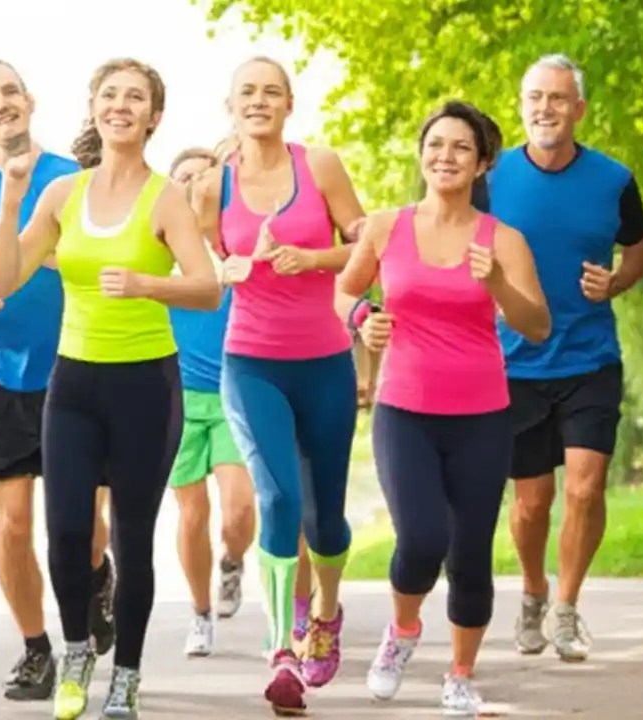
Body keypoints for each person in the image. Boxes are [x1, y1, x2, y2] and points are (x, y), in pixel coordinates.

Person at [0, 57, 220, 720]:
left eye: (135, 97)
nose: (120, 105)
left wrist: (149, 283)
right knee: (64, 532)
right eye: (110, 95)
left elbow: (206, 287)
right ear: (93, 107)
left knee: (132, 535)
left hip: (147, 383)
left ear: (154, 116)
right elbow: (4, 280)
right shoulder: (62, 194)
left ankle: (127, 675)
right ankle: (76, 652)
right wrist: (11, 199)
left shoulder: (166, 199)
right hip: (75, 383)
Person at [337, 100, 549, 715]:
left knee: (470, 551)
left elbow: (537, 324)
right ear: (421, 154)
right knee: (422, 537)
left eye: (460, 147)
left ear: (482, 162)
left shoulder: (502, 240)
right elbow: (346, 290)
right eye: (436, 144)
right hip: (404, 409)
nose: (445, 156)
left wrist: (498, 287)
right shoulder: (385, 227)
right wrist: (362, 320)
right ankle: (402, 632)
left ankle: (460, 673)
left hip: (482, 414)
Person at [0, 56, 117, 702]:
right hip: (1, 378)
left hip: (80, 369)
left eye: (10, 90)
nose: (0, 102)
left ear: (31, 102)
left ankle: (96, 580)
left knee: (82, 525)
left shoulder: (81, 181)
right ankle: (38, 649)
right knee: (11, 524)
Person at [198, 56, 366, 715]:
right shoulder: (213, 186)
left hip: (324, 360)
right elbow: (205, 265)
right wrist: (227, 266)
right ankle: (281, 653)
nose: (259, 101)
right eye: (248, 92)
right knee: (276, 498)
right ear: (230, 105)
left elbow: (366, 244)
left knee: (326, 515)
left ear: (289, 104)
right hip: (252, 363)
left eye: (272, 91)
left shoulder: (318, 165)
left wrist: (314, 258)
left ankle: (324, 611)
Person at [476, 54, 643, 662]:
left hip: (589, 358)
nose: (544, 109)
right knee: (530, 503)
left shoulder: (614, 179)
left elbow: (637, 248)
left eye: (557, 99)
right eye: (534, 98)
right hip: (515, 364)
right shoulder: (490, 180)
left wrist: (617, 283)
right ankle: (532, 590)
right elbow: (450, 245)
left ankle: (569, 607)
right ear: (521, 106)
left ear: (578, 108)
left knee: (585, 488)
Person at [166, 147, 256, 658]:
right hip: (176, 396)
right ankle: (200, 614)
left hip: (233, 393)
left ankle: (232, 562)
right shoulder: (161, 248)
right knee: (192, 512)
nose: (196, 183)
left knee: (238, 508)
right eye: (185, 177)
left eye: (206, 176)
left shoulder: (236, 240)